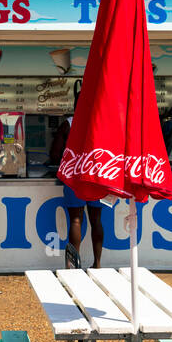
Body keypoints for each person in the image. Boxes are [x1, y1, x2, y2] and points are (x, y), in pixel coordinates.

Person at [54, 112, 104, 268]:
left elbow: (55, 153)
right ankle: (97, 263)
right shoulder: (102, 121)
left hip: (74, 175)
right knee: (96, 220)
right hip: (96, 175)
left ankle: (72, 266)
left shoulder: (68, 124)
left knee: (76, 220)